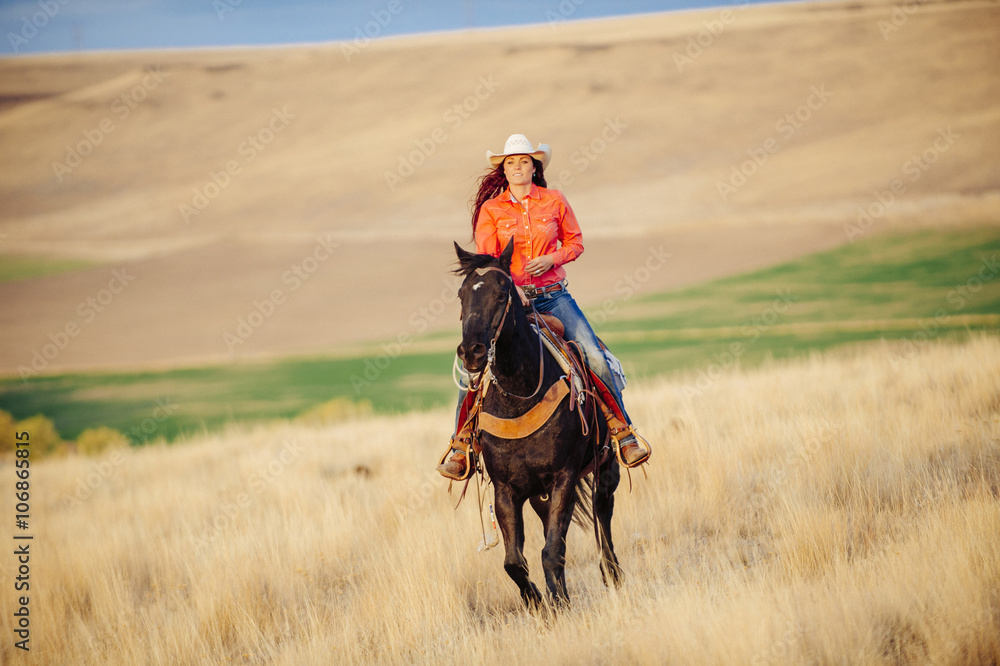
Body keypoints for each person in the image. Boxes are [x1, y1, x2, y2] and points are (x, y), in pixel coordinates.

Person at [437, 134, 650, 481]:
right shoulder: (492, 211)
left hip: (553, 295)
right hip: (509, 299)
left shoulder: (554, 200)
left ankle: (621, 431)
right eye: (510, 162)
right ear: (503, 170)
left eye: (524, 161)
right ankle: (461, 445)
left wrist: (552, 257)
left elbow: (575, 241)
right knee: (471, 366)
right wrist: (514, 289)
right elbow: (491, 260)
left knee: (594, 355)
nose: (517, 168)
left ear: (535, 167)